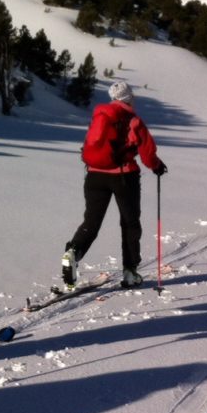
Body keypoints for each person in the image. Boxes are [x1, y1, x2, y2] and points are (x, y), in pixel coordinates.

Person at [61, 80, 166, 290]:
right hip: (124, 177)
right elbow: (147, 153)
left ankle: (73, 252)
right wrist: (157, 166)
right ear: (129, 98)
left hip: (94, 175)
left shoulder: (100, 116)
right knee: (129, 223)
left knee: (91, 222)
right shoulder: (133, 120)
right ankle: (130, 271)